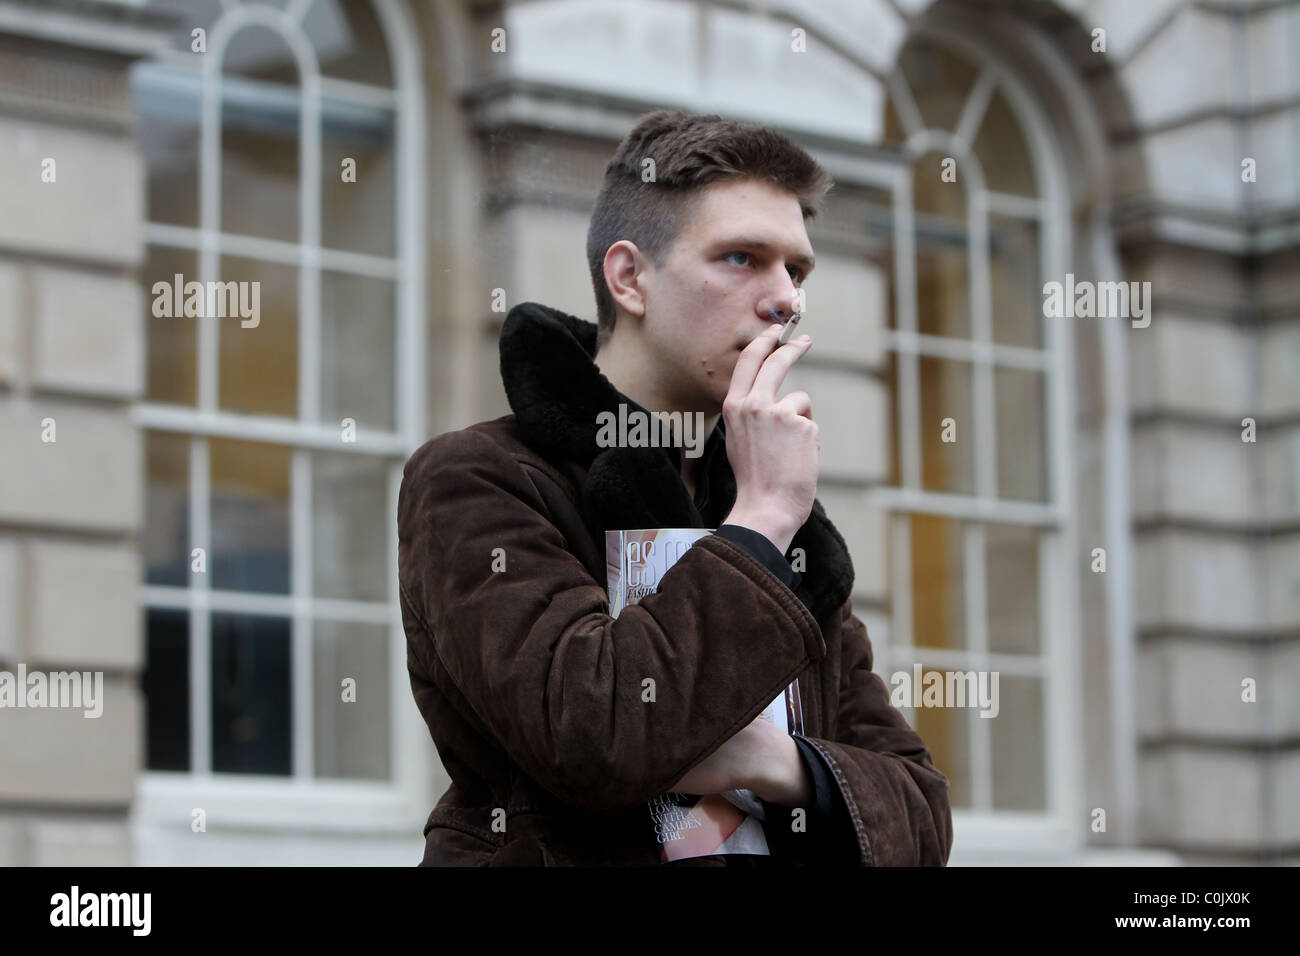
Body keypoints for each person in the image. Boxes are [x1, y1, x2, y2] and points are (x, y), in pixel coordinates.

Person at [398, 109, 953, 866]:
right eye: (741, 258)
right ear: (630, 278)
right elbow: (592, 737)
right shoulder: (480, 478)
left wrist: (776, 763)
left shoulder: (789, 523)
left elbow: (920, 816)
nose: (784, 298)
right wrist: (758, 521)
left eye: (797, 270)